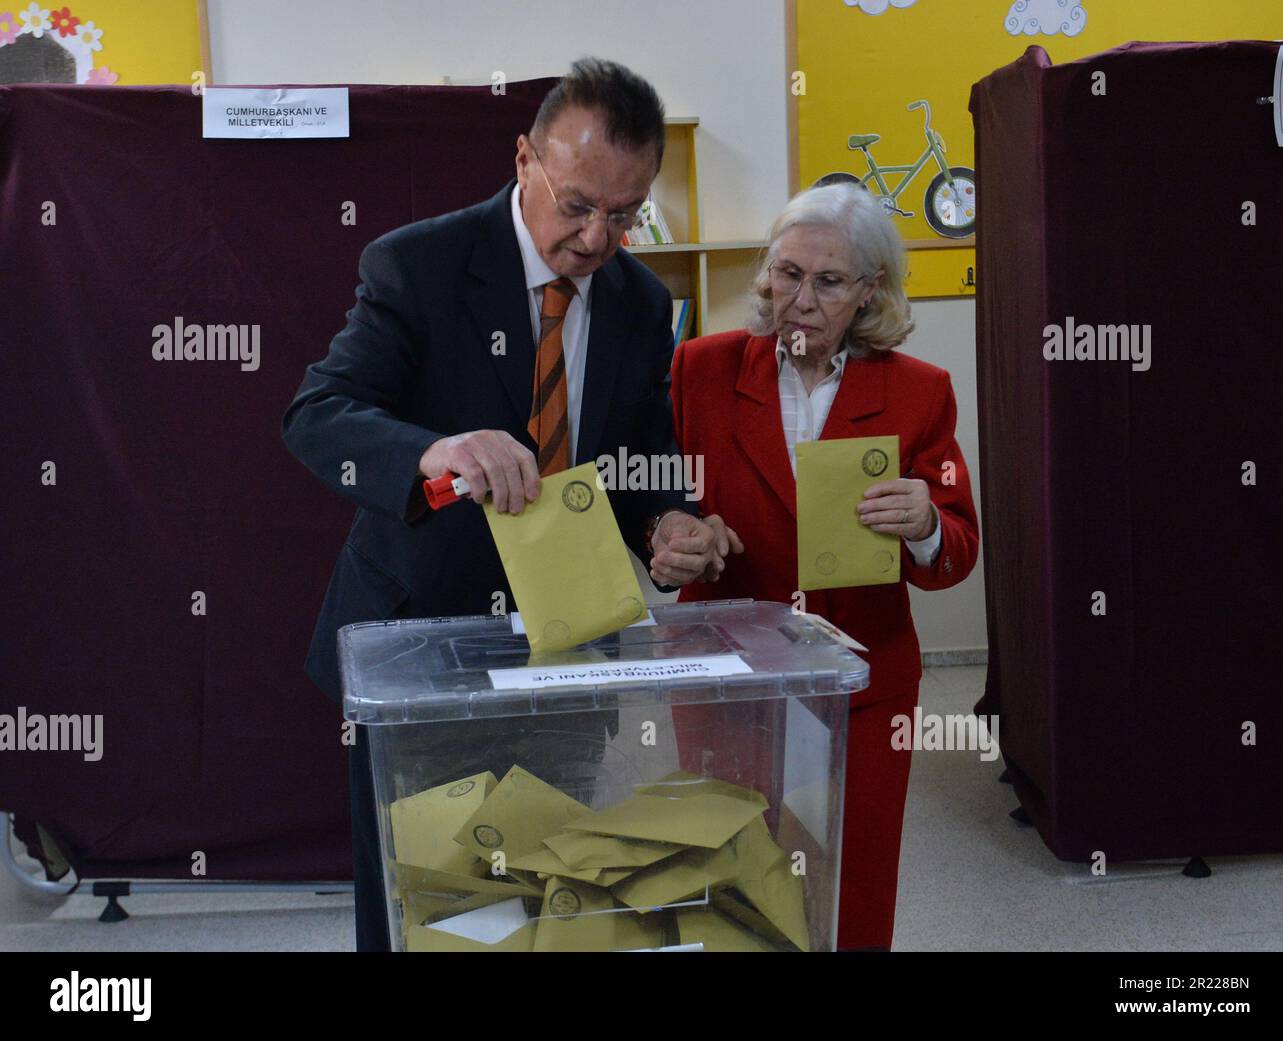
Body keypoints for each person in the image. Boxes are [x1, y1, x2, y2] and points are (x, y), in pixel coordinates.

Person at [282, 58, 731, 951]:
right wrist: (435, 451)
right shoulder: (419, 263)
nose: (599, 237)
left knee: (545, 899)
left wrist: (670, 520)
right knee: (427, 907)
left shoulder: (642, 303)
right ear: (525, 158)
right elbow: (317, 415)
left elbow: (642, 460)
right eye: (577, 204)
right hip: (422, 648)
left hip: (567, 653)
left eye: (624, 212)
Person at [669, 182, 979, 951]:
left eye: (829, 281)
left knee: (856, 883)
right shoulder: (697, 370)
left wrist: (924, 528)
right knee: (735, 877)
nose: (799, 299)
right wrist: (674, 537)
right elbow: (656, 507)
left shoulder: (920, 392)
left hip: (865, 683)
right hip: (727, 677)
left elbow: (958, 551)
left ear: (871, 289)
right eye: (785, 273)